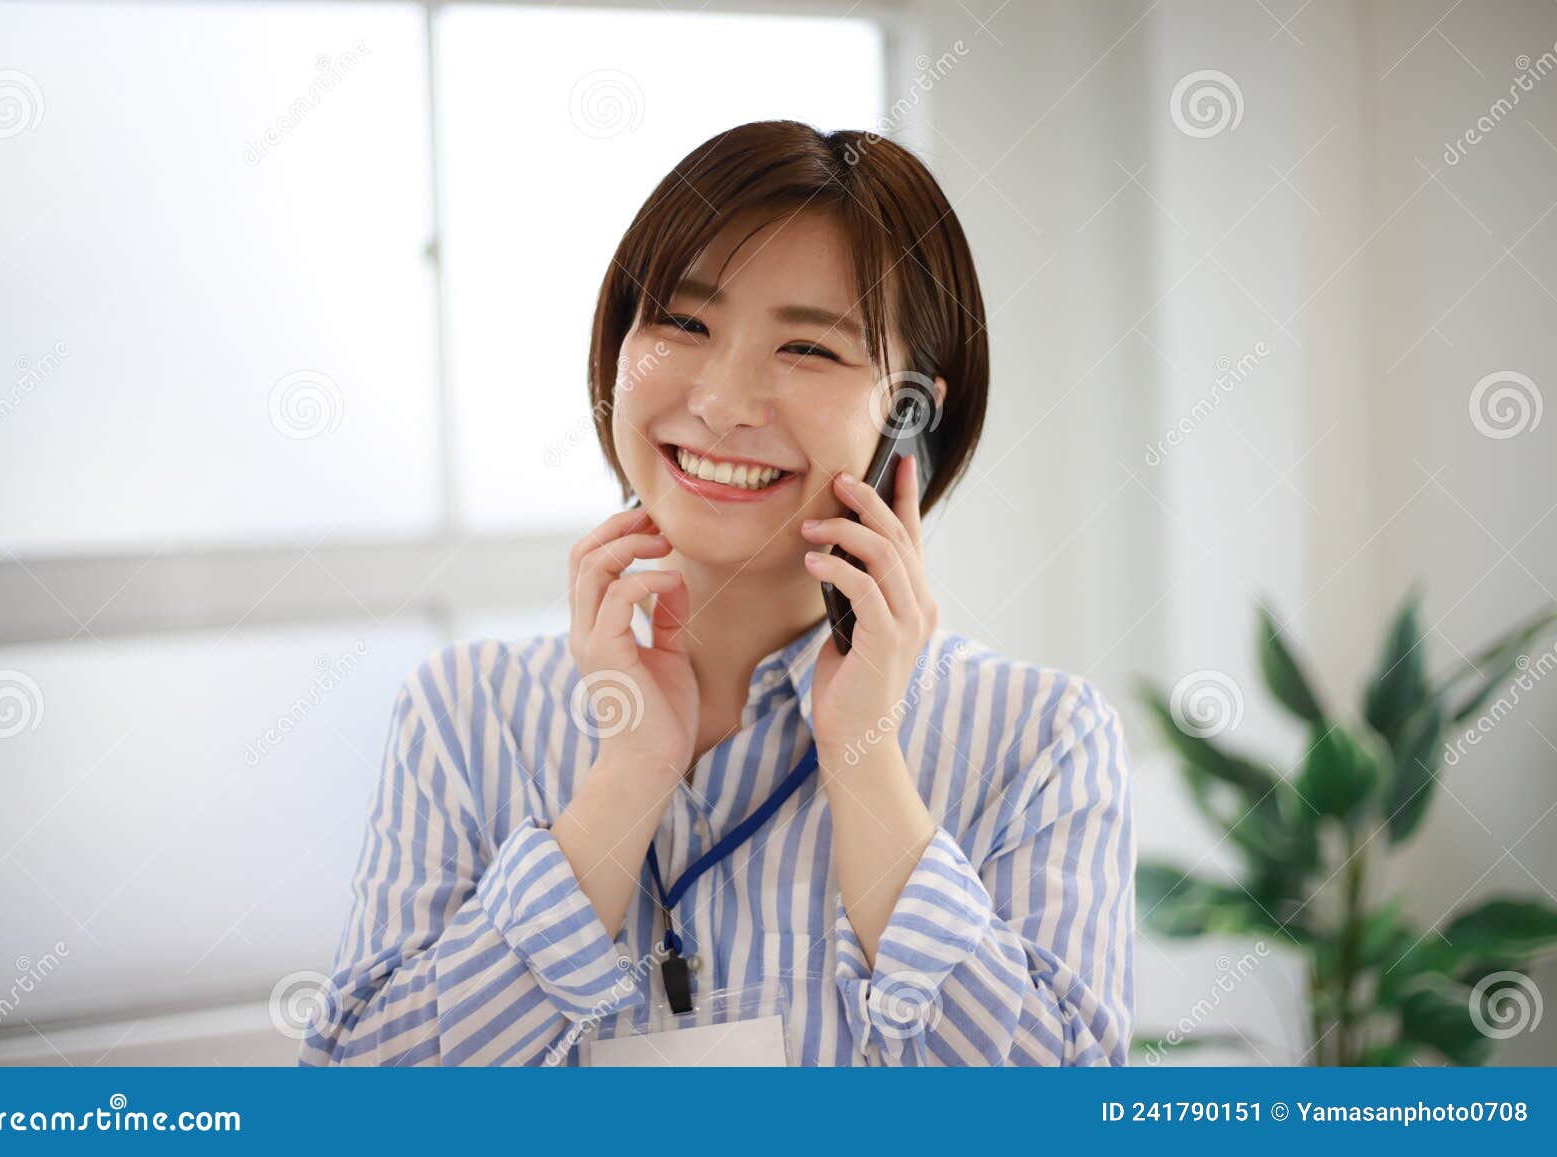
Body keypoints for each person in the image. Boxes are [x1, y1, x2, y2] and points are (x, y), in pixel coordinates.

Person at [299, 120, 1134, 1067]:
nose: (727, 400)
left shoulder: (1036, 739)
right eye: (684, 324)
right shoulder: (467, 715)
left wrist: (864, 759)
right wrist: (625, 779)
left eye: (810, 350)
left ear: (908, 417)